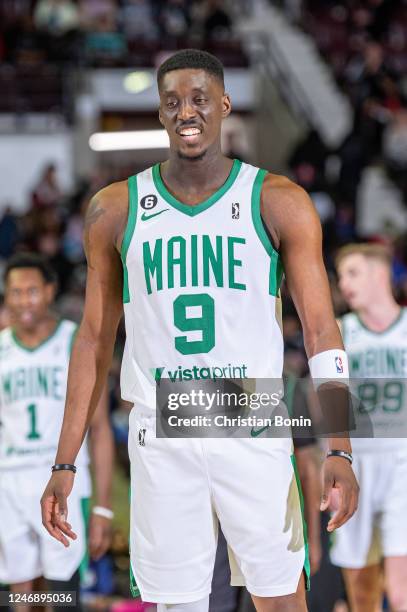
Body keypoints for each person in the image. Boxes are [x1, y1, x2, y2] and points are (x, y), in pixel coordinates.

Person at [41, 49, 359, 612]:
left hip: (251, 415)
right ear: (160, 116)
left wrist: (340, 447)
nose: (186, 111)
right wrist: (65, 461)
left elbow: (320, 332)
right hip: (162, 424)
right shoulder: (114, 208)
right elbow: (92, 340)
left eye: (199, 99)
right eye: (172, 103)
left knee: (282, 598)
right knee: (176, 604)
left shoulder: (279, 200)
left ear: (225, 106)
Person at [0, 253, 114, 611]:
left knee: (62, 596)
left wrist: (103, 508)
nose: (23, 300)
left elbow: (100, 430)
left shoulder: (72, 343)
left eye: (32, 290)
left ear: (50, 291)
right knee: (18, 594)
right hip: (9, 481)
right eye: (15, 292)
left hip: (62, 479)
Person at [331, 243, 407, 612]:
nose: (343, 283)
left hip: (402, 462)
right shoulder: (336, 332)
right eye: (341, 275)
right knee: (362, 596)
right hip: (356, 463)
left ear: (380, 275)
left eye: (353, 272)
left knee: (401, 591)